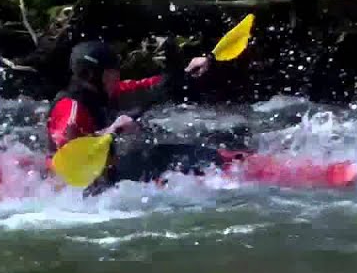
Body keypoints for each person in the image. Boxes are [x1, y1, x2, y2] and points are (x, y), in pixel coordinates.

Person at [45, 39, 225, 192]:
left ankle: (219, 164)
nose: (118, 76)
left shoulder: (106, 92)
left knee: (168, 154)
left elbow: (148, 87)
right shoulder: (70, 107)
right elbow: (68, 154)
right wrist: (111, 130)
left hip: (104, 176)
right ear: (92, 75)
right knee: (152, 157)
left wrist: (185, 73)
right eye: (112, 72)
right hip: (81, 188)